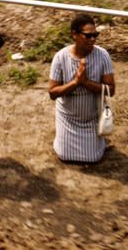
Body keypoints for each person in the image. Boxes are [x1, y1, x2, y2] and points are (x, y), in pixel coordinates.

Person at [48, 13, 116, 163]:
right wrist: (75, 82)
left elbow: (111, 90)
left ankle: (97, 140)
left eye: (95, 35)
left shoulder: (102, 55)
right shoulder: (60, 58)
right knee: (64, 155)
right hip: (67, 118)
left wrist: (87, 83)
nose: (93, 39)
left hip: (91, 118)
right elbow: (52, 93)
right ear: (74, 34)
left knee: (93, 157)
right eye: (88, 35)